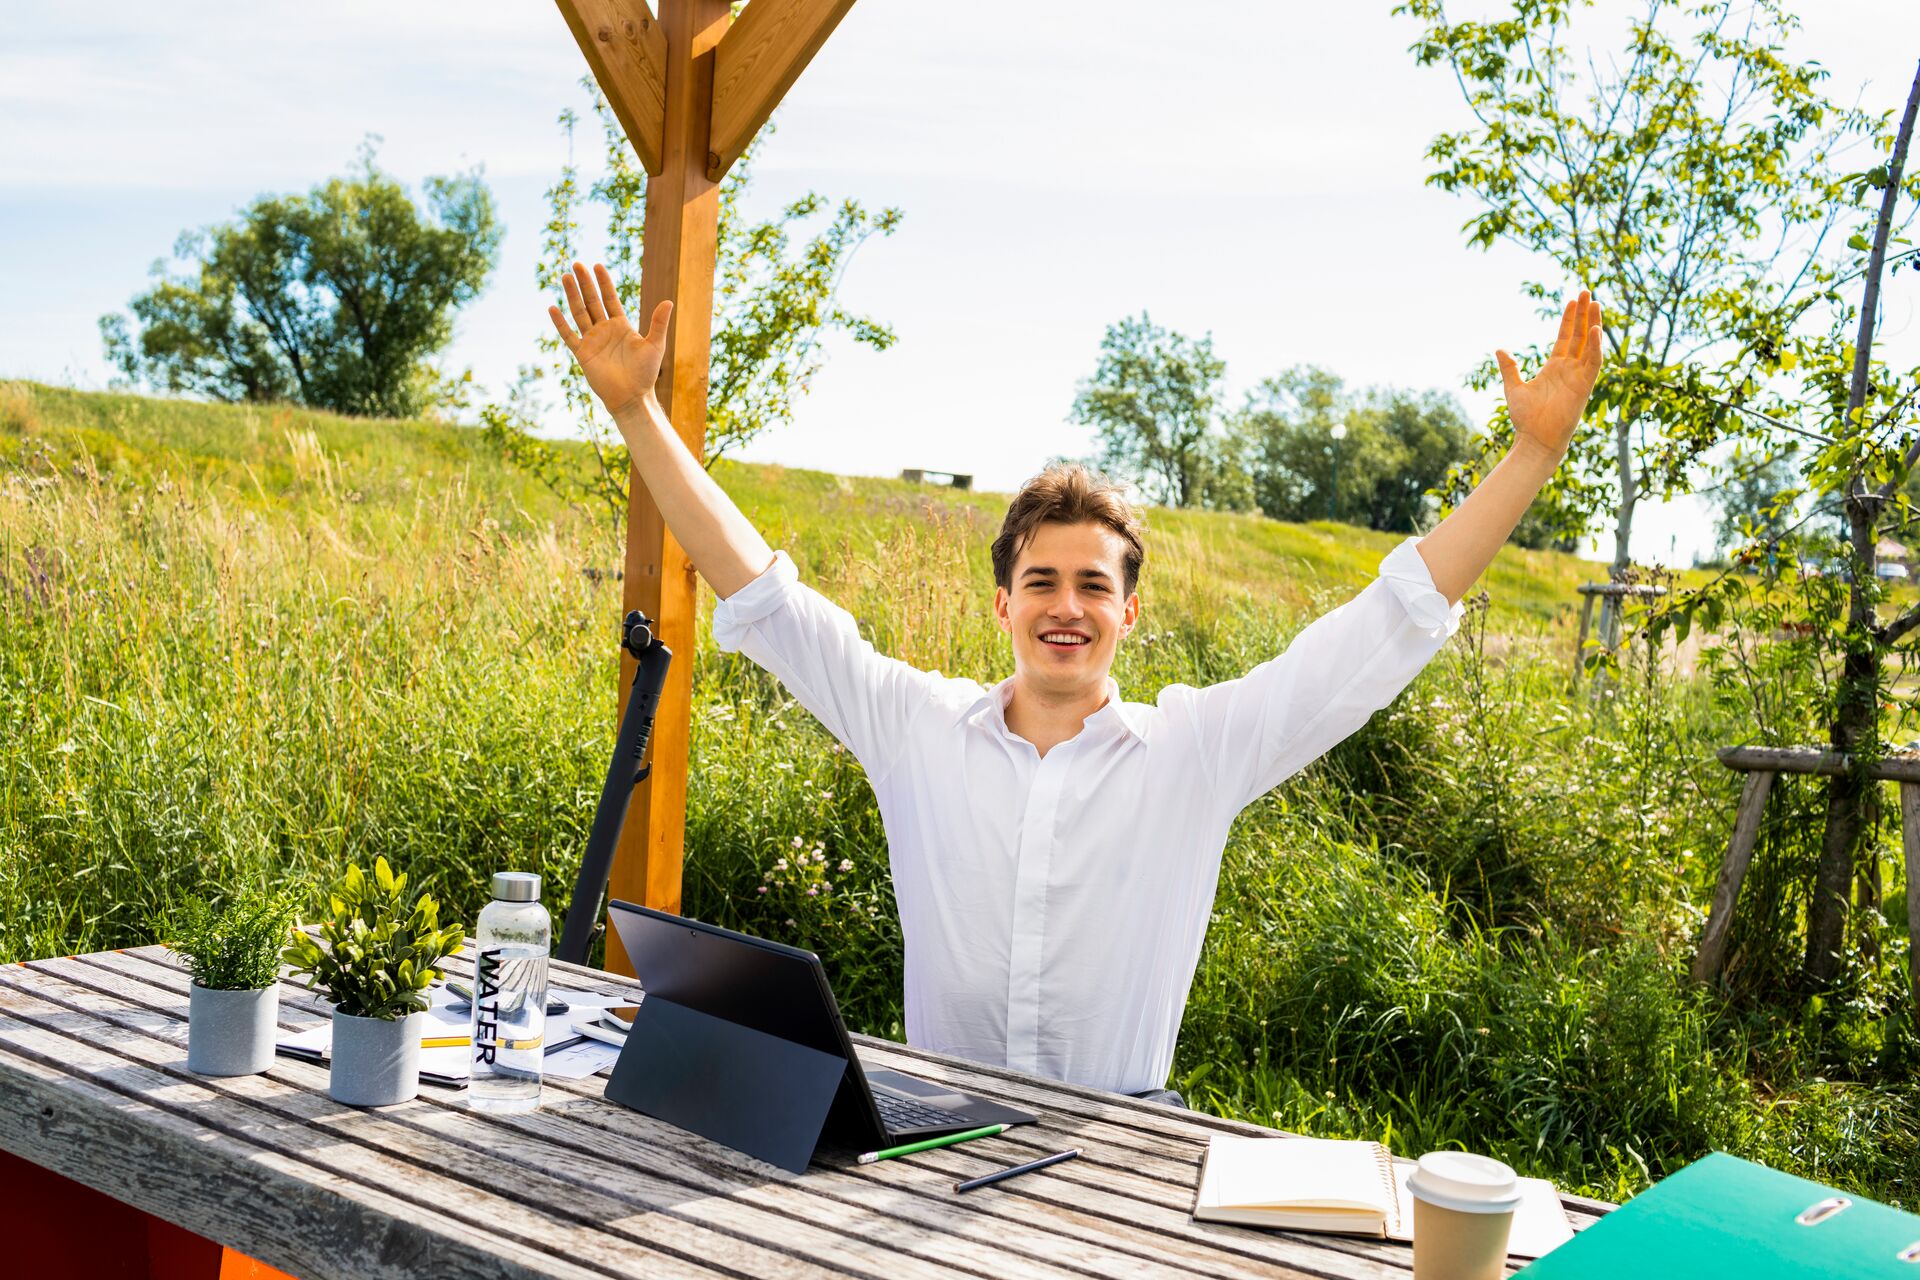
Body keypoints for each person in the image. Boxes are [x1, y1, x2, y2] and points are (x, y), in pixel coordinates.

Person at [549, 262, 1604, 1105]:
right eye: (1040, 580)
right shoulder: (914, 725)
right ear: (1001, 605)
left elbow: (1382, 628)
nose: (1066, 605)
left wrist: (1532, 455)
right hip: (935, 1126)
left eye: (1092, 584)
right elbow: (762, 592)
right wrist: (639, 413)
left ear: (1128, 612)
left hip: (1124, 1142)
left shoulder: (1195, 750)